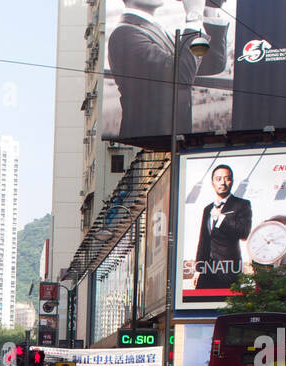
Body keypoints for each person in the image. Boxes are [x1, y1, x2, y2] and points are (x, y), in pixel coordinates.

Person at [106, 0, 206, 142]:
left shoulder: (155, 29)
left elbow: (210, 64)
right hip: (149, 142)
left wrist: (209, 12)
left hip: (168, 140)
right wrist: (194, 17)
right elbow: (182, 74)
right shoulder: (125, 34)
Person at [190, 163, 253, 292]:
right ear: (213, 182)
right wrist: (198, 269)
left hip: (228, 269)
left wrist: (222, 219)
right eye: (218, 179)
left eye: (227, 178)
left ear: (232, 182)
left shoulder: (242, 204)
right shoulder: (208, 209)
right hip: (207, 269)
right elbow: (203, 240)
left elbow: (244, 233)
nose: (222, 183)